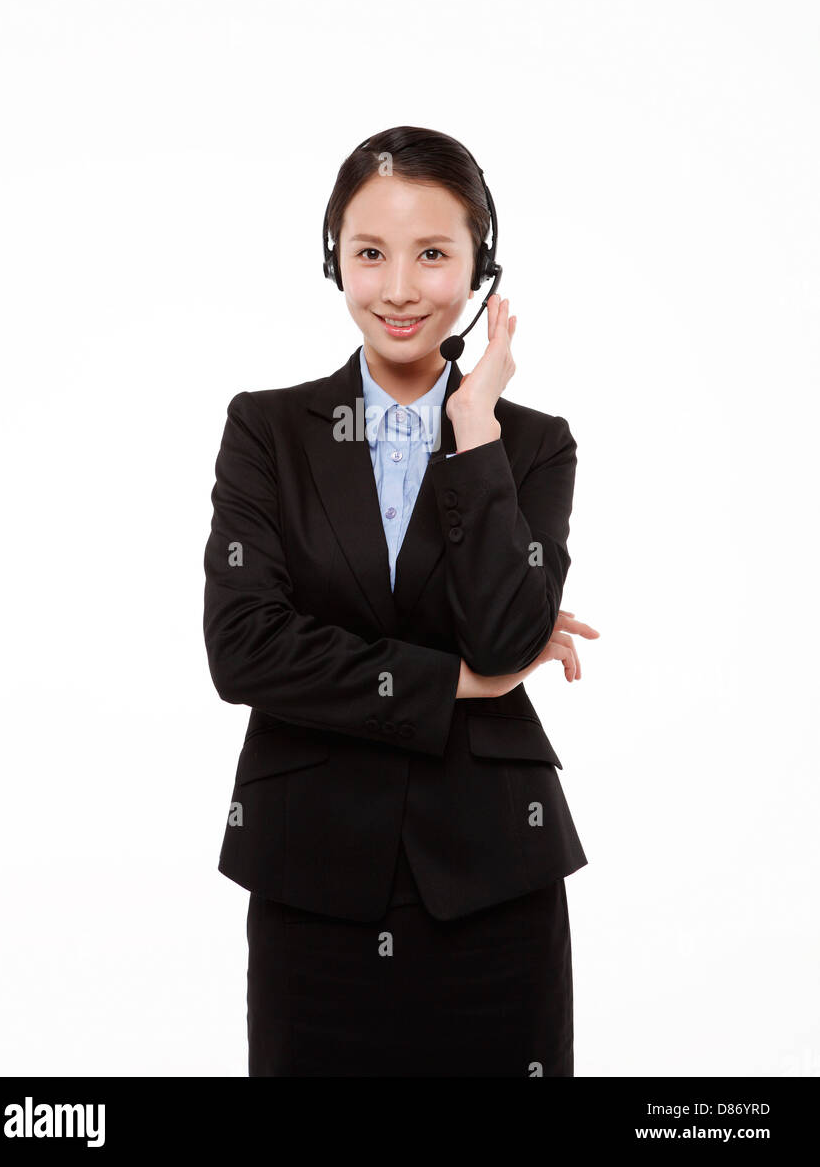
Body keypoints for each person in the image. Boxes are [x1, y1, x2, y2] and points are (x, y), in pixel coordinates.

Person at [203, 125, 599, 1077]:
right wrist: (455, 682)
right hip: (312, 873)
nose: (400, 288)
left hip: (496, 878)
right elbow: (243, 649)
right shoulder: (266, 429)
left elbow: (506, 638)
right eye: (369, 253)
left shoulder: (530, 444)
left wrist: (473, 432)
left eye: (434, 254)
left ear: (480, 267)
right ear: (334, 258)